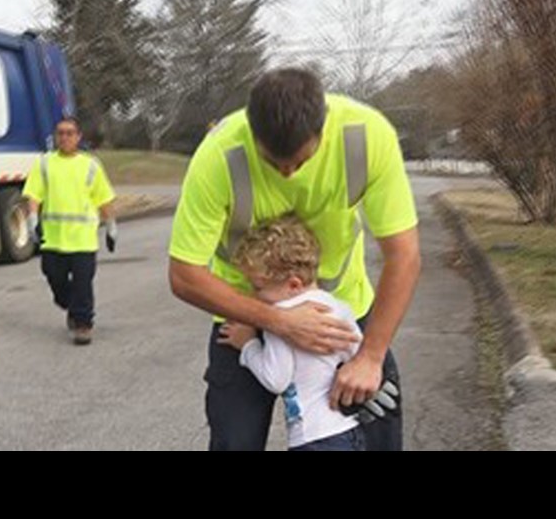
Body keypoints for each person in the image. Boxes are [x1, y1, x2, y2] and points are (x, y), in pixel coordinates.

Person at [168, 67, 421, 451]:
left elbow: (404, 256)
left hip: (339, 316)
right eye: (273, 162)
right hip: (244, 317)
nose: (287, 172)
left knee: (378, 434)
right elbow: (184, 274)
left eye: (300, 161)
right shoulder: (219, 156)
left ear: (323, 128)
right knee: (234, 441)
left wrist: (371, 357)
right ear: (252, 132)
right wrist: (280, 322)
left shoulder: (366, 137)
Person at [217, 215, 366, 451]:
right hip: (349, 431)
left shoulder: (284, 320)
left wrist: (248, 345)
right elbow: (358, 356)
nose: (253, 296)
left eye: (258, 288)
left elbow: (276, 379)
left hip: (313, 438)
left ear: (294, 285)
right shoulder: (341, 309)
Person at [22, 117, 117, 346]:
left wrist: (111, 227)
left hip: (83, 240)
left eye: (69, 133)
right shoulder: (44, 163)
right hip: (53, 239)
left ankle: (83, 324)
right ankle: (71, 305)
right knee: (55, 280)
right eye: (60, 133)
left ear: (78, 137)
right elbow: (33, 194)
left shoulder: (91, 165)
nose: (64, 137)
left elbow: (104, 199)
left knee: (83, 284)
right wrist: (32, 218)